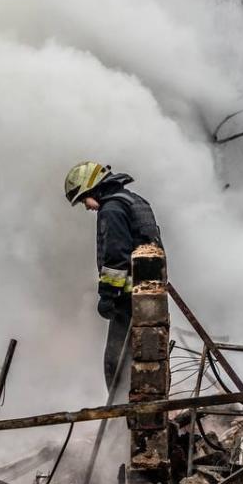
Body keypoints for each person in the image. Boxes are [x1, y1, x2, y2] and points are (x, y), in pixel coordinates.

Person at [64, 162, 162, 394]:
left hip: (128, 300)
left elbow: (116, 257)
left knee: (115, 362)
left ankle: (120, 416)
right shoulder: (135, 201)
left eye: (83, 199)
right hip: (151, 297)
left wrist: (108, 297)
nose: (87, 207)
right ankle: (142, 411)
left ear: (92, 189)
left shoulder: (112, 210)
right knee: (146, 358)